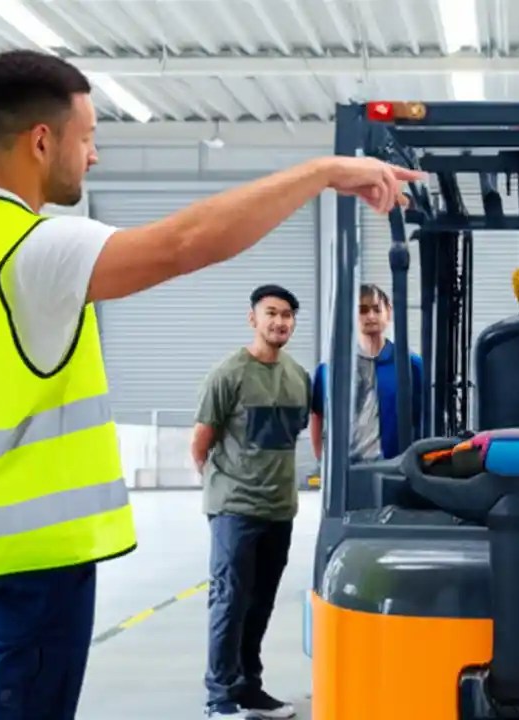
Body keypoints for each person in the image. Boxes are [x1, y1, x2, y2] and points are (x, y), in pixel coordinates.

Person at [0, 49, 423, 720]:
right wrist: (327, 171)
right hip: (34, 571)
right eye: (88, 137)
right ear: (42, 141)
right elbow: (185, 243)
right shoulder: (34, 249)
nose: (92, 155)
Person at [190, 284, 310, 718]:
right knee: (229, 599)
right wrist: (224, 491)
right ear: (253, 318)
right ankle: (218, 697)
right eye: (271, 313)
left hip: (280, 509)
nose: (279, 322)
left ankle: (248, 687)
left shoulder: (298, 376)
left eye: (287, 315)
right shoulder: (229, 374)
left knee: (260, 603)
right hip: (235, 510)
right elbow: (201, 444)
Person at [309, 283, 424, 464]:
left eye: (377, 309)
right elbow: (318, 416)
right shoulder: (332, 369)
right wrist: (322, 461)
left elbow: (423, 415)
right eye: (362, 310)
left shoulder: (410, 365)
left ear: (389, 312)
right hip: (348, 469)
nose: (371, 316)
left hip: (396, 467)